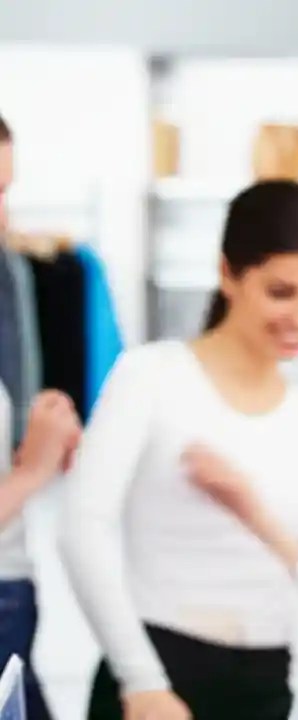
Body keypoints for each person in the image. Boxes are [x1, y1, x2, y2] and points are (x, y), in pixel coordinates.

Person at [60, 180, 298, 720]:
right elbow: (80, 528)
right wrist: (141, 681)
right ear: (228, 273)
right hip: (150, 673)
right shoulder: (151, 378)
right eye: (281, 292)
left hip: (263, 686)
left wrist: (255, 515)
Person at [0, 111, 85, 720]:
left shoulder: (8, 273)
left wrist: (45, 432)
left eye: (4, 191)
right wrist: (34, 468)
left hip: (14, 575)